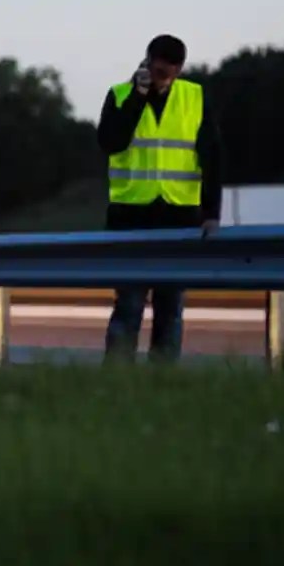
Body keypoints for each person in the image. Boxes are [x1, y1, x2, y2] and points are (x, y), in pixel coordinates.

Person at [96, 34, 222, 364]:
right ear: (147, 62)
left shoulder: (194, 96)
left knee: (170, 308)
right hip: (130, 217)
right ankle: (118, 376)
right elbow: (111, 142)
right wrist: (137, 97)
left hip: (179, 215)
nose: (165, 77)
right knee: (129, 305)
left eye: (172, 71)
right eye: (160, 70)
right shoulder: (121, 94)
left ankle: (163, 377)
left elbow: (211, 156)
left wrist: (212, 212)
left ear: (180, 69)